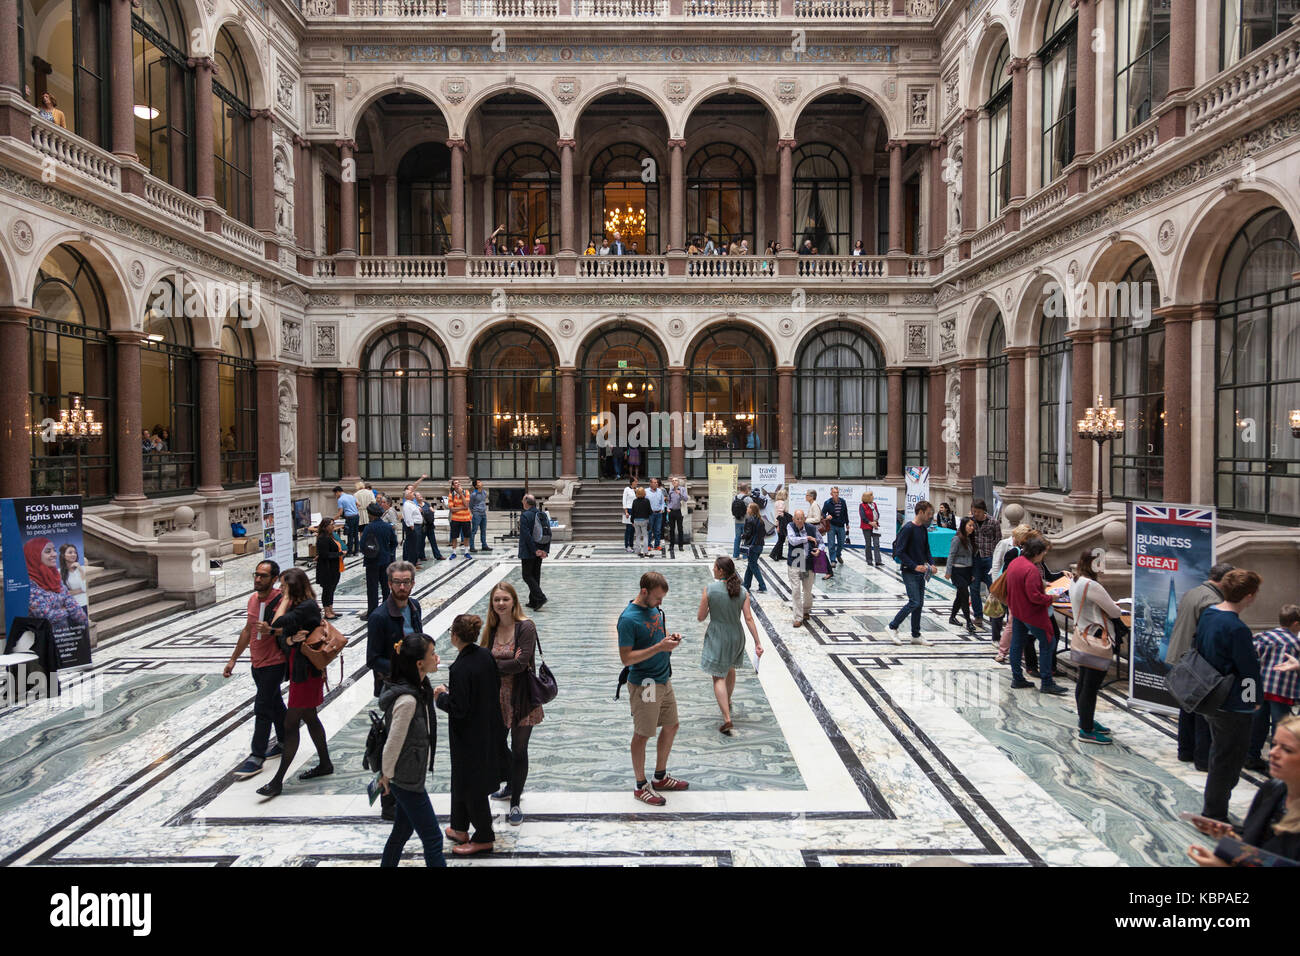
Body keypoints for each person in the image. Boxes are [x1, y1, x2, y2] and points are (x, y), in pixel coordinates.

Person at [434, 613, 509, 856]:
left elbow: (459, 708)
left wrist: (441, 697)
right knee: (461, 781)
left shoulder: (460, 668)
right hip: (487, 728)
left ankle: (484, 836)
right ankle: (458, 827)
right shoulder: (485, 655)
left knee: (471, 786)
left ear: (455, 636)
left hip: (469, 737)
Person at [1196, 569, 1264, 823]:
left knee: (1220, 754)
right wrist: (1254, 699)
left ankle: (1214, 807)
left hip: (1208, 693)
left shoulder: (1209, 614)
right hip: (1232, 702)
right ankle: (1214, 813)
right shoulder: (1237, 629)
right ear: (1249, 596)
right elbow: (1248, 670)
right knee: (1229, 760)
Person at [256, 568, 331, 797]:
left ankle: (278, 781)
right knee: (310, 716)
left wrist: (285, 601)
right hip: (301, 670)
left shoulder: (305, 606)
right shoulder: (301, 606)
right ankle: (325, 763)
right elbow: (283, 634)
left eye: (284, 586)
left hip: (306, 674)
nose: (280, 591)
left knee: (291, 724)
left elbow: (276, 621)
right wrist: (288, 637)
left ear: (293, 587)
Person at [1188, 715, 1300, 866]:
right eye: (1274, 744)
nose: (1273, 753)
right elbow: (1260, 852)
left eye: (1287, 749)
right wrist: (1232, 839)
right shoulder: (1272, 789)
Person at [618, 571, 687, 805]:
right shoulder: (628, 619)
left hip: (663, 678)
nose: (660, 603)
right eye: (658, 598)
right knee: (643, 733)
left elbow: (656, 637)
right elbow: (626, 658)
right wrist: (659, 647)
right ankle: (640, 785)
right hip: (646, 683)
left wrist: (669, 639)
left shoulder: (655, 609)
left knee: (671, 725)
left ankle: (660, 777)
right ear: (644, 592)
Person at [378, 633, 445, 867]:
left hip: (408, 775)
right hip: (406, 779)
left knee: (401, 832)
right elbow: (392, 743)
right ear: (419, 663)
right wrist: (385, 776)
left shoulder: (419, 686)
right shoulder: (407, 700)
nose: (437, 658)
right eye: (432, 654)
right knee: (433, 838)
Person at [482, 582, 543, 826]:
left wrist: (492, 667)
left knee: (519, 750)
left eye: (505, 599)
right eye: (497, 600)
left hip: (522, 697)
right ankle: (510, 781)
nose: (501, 604)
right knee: (496, 744)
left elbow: (521, 663)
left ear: (514, 601)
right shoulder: (491, 628)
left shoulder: (525, 626)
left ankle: (515, 798)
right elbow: (483, 656)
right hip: (496, 697)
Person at [367, 560, 422, 821]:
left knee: (409, 742)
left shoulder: (414, 606)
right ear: (389, 584)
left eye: (406, 582)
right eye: (398, 582)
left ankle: (406, 792)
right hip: (391, 689)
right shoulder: (379, 617)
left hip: (413, 685)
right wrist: (401, 669)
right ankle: (388, 803)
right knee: (391, 745)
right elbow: (372, 659)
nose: (402, 586)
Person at [1166, 563, 1235, 772]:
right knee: (1202, 710)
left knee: (1187, 706)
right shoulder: (1213, 601)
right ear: (1224, 580)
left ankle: (1185, 750)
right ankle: (1202, 758)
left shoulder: (1192, 592)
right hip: (1197, 660)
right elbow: (1209, 636)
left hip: (1181, 654)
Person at [224, 561, 284, 781]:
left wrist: (272, 630)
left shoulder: (281, 601)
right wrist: (233, 659)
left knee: (263, 706)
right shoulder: (252, 600)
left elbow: (293, 630)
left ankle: (257, 756)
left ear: (274, 578)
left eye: (263, 576)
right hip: (256, 662)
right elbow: (248, 630)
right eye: (256, 575)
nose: (258, 579)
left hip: (275, 662)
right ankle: (286, 740)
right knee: (275, 702)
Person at [698, 556, 763, 735]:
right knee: (730, 669)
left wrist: (712, 607)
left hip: (718, 635)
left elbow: (701, 617)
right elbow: (748, 618)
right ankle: (729, 700)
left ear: (720, 570)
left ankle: (727, 718)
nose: (713, 570)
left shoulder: (710, 589)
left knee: (718, 676)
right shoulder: (742, 591)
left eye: (714, 568)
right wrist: (757, 643)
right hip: (736, 635)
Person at [1069, 548, 1125, 744]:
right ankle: (1086, 729)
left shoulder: (1075, 580)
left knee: (1083, 681)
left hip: (1082, 635)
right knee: (1090, 686)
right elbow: (1115, 612)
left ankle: (1086, 720)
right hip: (1095, 639)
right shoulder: (1091, 585)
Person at [1005, 535, 1065, 694]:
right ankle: (1047, 682)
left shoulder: (1016, 562)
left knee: (1017, 644)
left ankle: (1017, 678)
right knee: (1048, 642)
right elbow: (1034, 596)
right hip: (1031, 613)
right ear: (1037, 552)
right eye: (1043, 553)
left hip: (1017, 608)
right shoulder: (1031, 569)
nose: (1043, 556)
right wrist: (1051, 598)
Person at [1246, 605, 1300, 773]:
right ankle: (1277, 762)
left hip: (1261, 689)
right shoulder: (1296, 643)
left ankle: (1251, 756)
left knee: (1257, 724)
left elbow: (1251, 656)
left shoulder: (1264, 636)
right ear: (1296, 624)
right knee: (1280, 727)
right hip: (1282, 692)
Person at [887, 501, 936, 645]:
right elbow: (900, 552)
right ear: (920, 512)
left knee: (919, 603)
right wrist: (914, 566)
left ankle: (915, 634)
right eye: (928, 514)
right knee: (914, 601)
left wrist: (931, 564)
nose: (929, 517)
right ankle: (892, 626)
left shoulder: (923, 529)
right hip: (909, 571)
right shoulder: (908, 528)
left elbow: (926, 549)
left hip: (921, 571)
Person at [991, 524, 1036, 667]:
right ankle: (1003, 651)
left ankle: (1017, 651)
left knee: (1018, 624)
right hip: (1015, 593)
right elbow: (1002, 568)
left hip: (1023, 593)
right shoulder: (1012, 551)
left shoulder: (1029, 553)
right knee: (1011, 623)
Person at [23, 537, 87, 629]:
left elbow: (71, 601)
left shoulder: (55, 576)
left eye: (54, 550)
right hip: (44, 639)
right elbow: (47, 616)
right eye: (48, 551)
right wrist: (69, 610)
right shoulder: (29, 585)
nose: (54, 554)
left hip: (65, 636)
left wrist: (64, 609)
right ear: (34, 555)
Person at [785, 509, 823, 628]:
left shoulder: (812, 528)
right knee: (796, 590)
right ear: (793, 519)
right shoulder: (790, 526)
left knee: (807, 591)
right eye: (797, 518)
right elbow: (792, 540)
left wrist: (819, 550)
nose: (799, 521)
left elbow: (821, 542)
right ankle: (797, 617)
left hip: (809, 563)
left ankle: (806, 610)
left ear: (805, 519)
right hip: (795, 562)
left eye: (801, 518)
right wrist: (807, 538)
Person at [360, 502, 398, 618]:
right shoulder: (387, 526)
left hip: (372, 561)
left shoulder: (369, 527)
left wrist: (368, 553)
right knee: (385, 586)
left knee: (372, 587)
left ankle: (372, 611)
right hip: (385, 560)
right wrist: (388, 552)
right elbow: (394, 542)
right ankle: (387, 609)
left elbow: (362, 544)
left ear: (371, 515)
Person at [968, 499, 999, 630]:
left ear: (984, 511)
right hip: (974, 558)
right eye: (974, 511)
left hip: (989, 558)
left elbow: (998, 540)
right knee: (974, 588)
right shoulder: (970, 522)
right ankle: (978, 616)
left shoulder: (993, 522)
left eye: (978, 512)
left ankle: (994, 616)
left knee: (993, 587)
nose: (975, 514)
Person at [945, 517, 979, 634]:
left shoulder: (970, 539)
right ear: (964, 525)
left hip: (967, 571)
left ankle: (952, 617)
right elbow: (951, 555)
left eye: (973, 526)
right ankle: (968, 621)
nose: (972, 528)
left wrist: (973, 573)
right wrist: (948, 571)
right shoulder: (957, 539)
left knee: (960, 596)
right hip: (957, 571)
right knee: (965, 595)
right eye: (970, 525)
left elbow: (973, 557)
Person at [518, 493, 551, 609]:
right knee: (535, 575)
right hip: (540, 548)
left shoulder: (525, 516)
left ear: (526, 502)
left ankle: (540, 597)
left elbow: (526, 536)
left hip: (529, 551)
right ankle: (533, 601)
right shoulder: (542, 514)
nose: (522, 502)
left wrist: (534, 550)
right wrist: (545, 550)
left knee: (527, 575)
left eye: (523, 500)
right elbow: (548, 532)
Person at [315, 516, 342, 619]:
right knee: (327, 590)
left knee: (332, 589)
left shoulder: (331, 536)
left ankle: (331, 609)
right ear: (325, 526)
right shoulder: (323, 538)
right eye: (331, 524)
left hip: (334, 568)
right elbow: (324, 554)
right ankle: (327, 611)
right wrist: (339, 554)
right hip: (327, 569)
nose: (333, 526)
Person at [740, 501, 767, 593]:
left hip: (752, 546)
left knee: (753, 566)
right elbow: (764, 533)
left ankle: (762, 586)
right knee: (750, 566)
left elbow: (748, 534)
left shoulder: (749, 520)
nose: (747, 509)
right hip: (759, 546)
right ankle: (746, 585)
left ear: (752, 510)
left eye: (748, 507)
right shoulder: (761, 520)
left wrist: (742, 536)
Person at [820, 487, 849, 567]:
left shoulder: (842, 502)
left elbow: (845, 513)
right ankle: (833, 560)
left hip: (841, 525)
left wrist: (847, 524)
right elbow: (822, 513)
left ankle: (838, 554)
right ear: (831, 494)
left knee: (841, 543)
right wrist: (826, 516)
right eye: (834, 492)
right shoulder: (827, 502)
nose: (836, 494)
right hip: (831, 525)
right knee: (831, 543)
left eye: (837, 492)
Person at [400, 485, 426, 570]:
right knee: (412, 547)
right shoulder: (407, 504)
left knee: (416, 546)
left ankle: (414, 563)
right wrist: (412, 527)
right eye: (411, 493)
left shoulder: (412, 503)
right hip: (413, 527)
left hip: (417, 526)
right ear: (407, 496)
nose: (413, 493)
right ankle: (411, 564)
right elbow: (408, 517)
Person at [58, 543, 88, 611]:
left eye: (75, 552)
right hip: (73, 605)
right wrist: (81, 590)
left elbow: (86, 588)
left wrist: (80, 570)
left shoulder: (81, 568)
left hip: (86, 603)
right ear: (63, 555)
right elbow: (63, 593)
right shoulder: (59, 572)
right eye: (70, 552)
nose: (73, 554)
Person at [447, 480, 472, 559]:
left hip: (466, 518)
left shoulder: (466, 492)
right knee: (454, 536)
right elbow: (452, 509)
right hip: (455, 519)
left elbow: (467, 505)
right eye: (456, 483)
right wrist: (463, 508)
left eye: (459, 483)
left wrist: (461, 494)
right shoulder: (451, 495)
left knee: (466, 536)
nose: (458, 484)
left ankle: (466, 552)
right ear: (453, 486)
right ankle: (454, 552)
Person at [333, 485, 360, 556]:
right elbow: (358, 504)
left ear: (338, 492)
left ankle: (350, 552)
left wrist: (333, 519)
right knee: (356, 534)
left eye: (335, 494)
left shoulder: (340, 500)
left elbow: (340, 512)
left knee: (350, 535)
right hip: (356, 516)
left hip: (350, 517)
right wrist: (353, 509)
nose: (335, 496)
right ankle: (356, 551)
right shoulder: (351, 496)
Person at [417, 493, 444, 560]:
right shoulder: (415, 505)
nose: (421, 496)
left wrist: (423, 511)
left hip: (430, 525)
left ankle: (438, 555)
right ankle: (422, 556)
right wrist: (427, 511)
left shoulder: (426, 503)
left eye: (421, 495)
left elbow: (432, 511)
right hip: (422, 526)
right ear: (415, 498)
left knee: (433, 541)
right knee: (421, 542)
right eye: (419, 496)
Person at [730, 483, 753, 558]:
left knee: (737, 538)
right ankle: (745, 556)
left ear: (739, 489)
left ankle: (735, 555)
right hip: (746, 521)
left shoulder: (735, 498)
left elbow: (732, 508)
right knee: (746, 538)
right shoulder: (748, 499)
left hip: (737, 521)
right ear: (746, 489)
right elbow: (752, 510)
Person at [469, 478, 491, 552]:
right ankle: (471, 546)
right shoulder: (473, 494)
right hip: (477, 513)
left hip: (483, 513)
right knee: (474, 530)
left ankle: (484, 545)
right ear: (476, 486)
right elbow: (471, 505)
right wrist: (474, 512)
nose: (481, 483)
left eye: (480, 482)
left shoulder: (484, 492)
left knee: (483, 530)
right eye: (478, 482)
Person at [629, 485, 652, 558]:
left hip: (636, 520)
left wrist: (632, 521)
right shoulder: (646, 501)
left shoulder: (635, 501)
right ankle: (645, 551)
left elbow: (632, 512)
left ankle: (638, 551)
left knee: (638, 536)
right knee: (645, 536)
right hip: (644, 520)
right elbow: (650, 511)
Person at [666, 478, 686, 558]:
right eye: (673, 481)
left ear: (678, 482)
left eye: (676, 480)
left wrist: (680, 493)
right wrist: (668, 507)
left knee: (680, 529)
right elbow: (669, 500)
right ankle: (671, 546)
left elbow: (686, 498)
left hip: (679, 511)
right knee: (671, 529)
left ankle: (680, 546)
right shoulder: (670, 490)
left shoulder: (682, 489)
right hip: (671, 511)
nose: (674, 482)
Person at [646, 477, 666, 553]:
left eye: (656, 482)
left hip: (659, 514)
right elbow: (644, 502)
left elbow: (662, 502)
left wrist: (662, 509)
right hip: (650, 514)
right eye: (654, 482)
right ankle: (648, 545)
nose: (656, 484)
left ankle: (657, 545)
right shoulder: (646, 491)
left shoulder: (660, 491)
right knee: (649, 531)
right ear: (650, 483)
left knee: (658, 530)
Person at [769, 496, 791, 561]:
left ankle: (779, 555)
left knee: (781, 539)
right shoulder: (781, 503)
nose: (786, 497)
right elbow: (780, 514)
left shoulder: (777, 502)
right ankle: (773, 554)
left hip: (778, 523)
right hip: (781, 523)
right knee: (781, 540)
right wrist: (778, 525)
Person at [622, 477, 639, 553]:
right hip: (629, 509)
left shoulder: (638, 489)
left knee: (633, 529)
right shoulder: (627, 489)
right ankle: (627, 545)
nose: (636, 483)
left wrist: (636, 492)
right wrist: (626, 511)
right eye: (635, 481)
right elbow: (624, 500)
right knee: (628, 529)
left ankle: (631, 545)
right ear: (632, 482)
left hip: (636, 510)